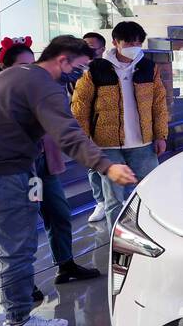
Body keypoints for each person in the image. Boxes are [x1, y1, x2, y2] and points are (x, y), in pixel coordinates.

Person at [0, 36, 135, 326]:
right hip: (2, 176)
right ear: (63, 60)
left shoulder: (8, 75)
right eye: (79, 68)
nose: (80, 75)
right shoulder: (44, 86)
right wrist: (106, 166)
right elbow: (68, 135)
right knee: (17, 251)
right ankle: (19, 323)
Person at [0, 38, 99, 304]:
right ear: (6, 66)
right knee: (21, 229)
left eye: (31, 63)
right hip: (17, 168)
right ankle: (20, 285)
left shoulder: (45, 85)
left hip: (44, 164)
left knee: (59, 212)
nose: (29, 69)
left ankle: (66, 263)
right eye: (22, 65)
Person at [71, 21, 168, 225]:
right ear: (115, 42)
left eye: (138, 41)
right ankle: (116, 246)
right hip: (107, 145)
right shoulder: (95, 69)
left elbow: (159, 103)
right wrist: (84, 140)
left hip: (144, 143)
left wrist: (161, 135)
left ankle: (153, 234)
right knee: (113, 200)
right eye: (129, 41)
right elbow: (80, 106)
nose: (134, 45)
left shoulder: (149, 67)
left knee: (153, 193)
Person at [80, 32, 110, 222]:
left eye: (92, 46)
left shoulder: (109, 68)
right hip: (85, 125)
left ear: (102, 49)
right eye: (84, 45)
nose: (87, 49)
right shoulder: (75, 69)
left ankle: (114, 200)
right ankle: (101, 201)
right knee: (92, 166)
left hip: (106, 125)